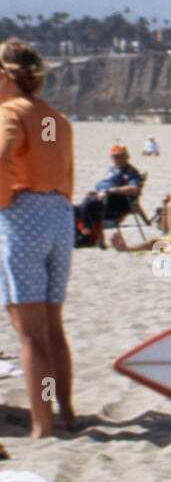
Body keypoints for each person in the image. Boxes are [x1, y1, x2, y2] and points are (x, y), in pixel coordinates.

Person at [0, 38, 76, 438]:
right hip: (59, 217)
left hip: (23, 217)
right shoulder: (54, 119)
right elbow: (58, 167)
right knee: (52, 328)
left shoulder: (10, 112)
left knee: (29, 333)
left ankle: (41, 424)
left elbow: (2, 156)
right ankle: (65, 411)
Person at [72, 144, 142, 246]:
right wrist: (95, 192)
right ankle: (79, 236)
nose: (117, 159)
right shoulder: (112, 169)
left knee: (88, 205)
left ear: (127, 156)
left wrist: (112, 190)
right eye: (114, 156)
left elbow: (134, 188)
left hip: (115, 204)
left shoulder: (131, 172)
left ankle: (86, 235)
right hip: (102, 198)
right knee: (73, 209)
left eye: (120, 156)